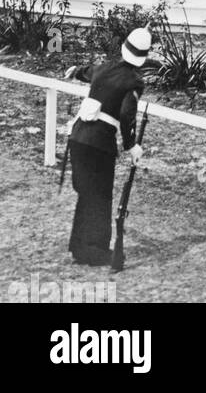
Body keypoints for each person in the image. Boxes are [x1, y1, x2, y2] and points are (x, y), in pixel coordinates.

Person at [68, 27, 150, 266]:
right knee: (100, 197)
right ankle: (94, 251)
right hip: (99, 144)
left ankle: (79, 247)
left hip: (78, 137)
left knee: (87, 194)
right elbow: (126, 113)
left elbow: (87, 72)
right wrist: (131, 145)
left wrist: (74, 71)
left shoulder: (105, 67)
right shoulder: (134, 81)